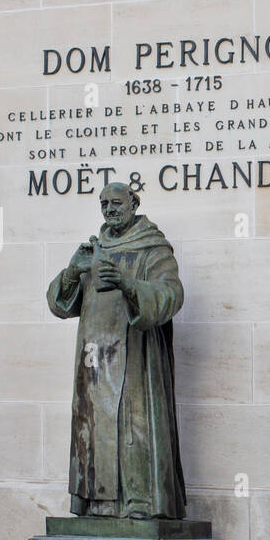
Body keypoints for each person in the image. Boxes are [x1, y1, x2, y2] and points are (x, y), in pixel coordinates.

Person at [47, 182, 187, 519]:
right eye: (103, 203)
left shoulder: (152, 248)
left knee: (133, 426)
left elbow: (171, 295)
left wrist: (128, 283)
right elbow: (61, 305)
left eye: (116, 202)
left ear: (134, 203)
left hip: (135, 355)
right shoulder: (94, 250)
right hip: (94, 359)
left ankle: (140, 501)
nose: (110, 209)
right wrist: (72, 271)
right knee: (94, 426)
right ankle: (99, 502)